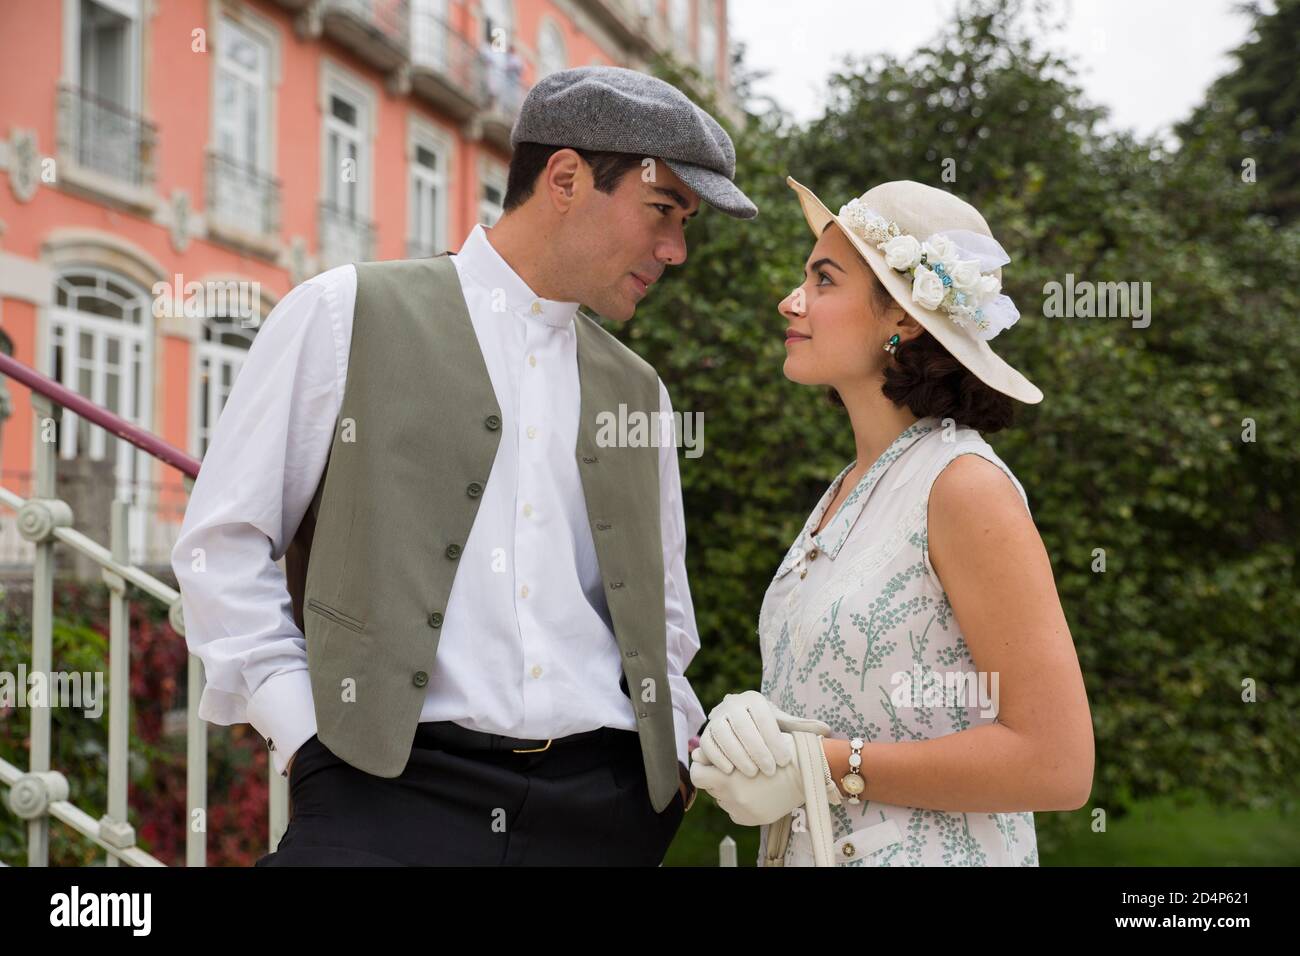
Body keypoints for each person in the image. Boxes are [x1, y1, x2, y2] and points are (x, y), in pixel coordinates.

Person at [171, 66, 758, 865]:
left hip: (603, 809)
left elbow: (662, 615)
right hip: (385, 793)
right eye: (663, 211)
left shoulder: (639, 392)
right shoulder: (344, 312)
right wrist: (304, 737)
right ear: (565, 178)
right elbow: (223, 547)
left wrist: (670, 763)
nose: (676, 250)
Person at [689, 177, 1094, 866]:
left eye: (823, 280)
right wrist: (750, 730)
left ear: (901, 319)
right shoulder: (849, 487)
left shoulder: (964, 486)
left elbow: (1056, 764)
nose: (790, 301)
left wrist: (824, 765)